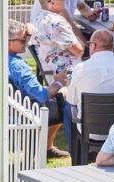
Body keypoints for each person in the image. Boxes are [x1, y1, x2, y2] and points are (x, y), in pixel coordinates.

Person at [62, 29, 114, 153]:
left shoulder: (80, 69)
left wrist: (70, 85)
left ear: (94, 45)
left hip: (90, 131)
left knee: (68, 109)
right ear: (112, 46)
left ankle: (76, 154)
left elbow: (71, 100)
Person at [7, 19, 70, 159]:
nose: (26, 41)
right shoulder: (18, 66)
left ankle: (46, 147)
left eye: (27, 37)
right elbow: (42, 95)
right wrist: (59, 83)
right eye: (22, 39)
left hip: (9, 108)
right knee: (66, 96)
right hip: (28, 110)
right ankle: (53, 147)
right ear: (7, 42)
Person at [33, 0, 84, 78]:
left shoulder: (37, 19)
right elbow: (79, 51)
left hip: (49, 71)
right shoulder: (57, 23)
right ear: (52, 3)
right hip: (68, 74)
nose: (65, 0)